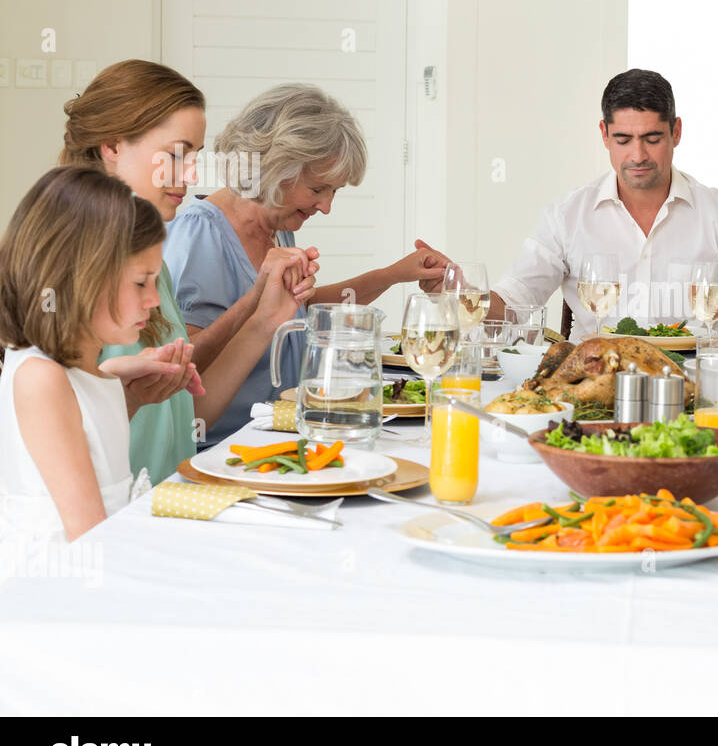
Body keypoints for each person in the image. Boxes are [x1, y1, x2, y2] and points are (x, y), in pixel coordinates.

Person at [62, 60, 317, 479]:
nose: (192, 175)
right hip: (117, 519)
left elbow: (188, 413)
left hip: (163, 499)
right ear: (112, 146)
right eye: (176, 154)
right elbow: (60, 437)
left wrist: (266, 319)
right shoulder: (77, 259)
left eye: (196, 156)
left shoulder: (147, 257)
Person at [449, 69, 718, 337]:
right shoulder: (567, 217)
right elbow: (515, 305)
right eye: (623, 140)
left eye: (652, 138)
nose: (637, 155)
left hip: (690, 396)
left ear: (676, 131)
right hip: (590, 392)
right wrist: (462, 295)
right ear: (604, 134)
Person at [166, 83, 449, 442]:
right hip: (223, 447)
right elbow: (186, 366)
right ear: (272, 168)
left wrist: (392, 275)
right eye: (317, 190)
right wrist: (255, 308)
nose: (326, 207)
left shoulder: (277, 225)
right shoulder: (199, 234)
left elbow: (299, 309)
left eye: (335, 191)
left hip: (284, 435)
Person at [0, 167, 165, 544]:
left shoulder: (83, 366)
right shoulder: (40, 379)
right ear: (79, 277)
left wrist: (118, 377)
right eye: (141, 282)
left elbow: (86, 420)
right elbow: (89, 535)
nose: (153, 300)